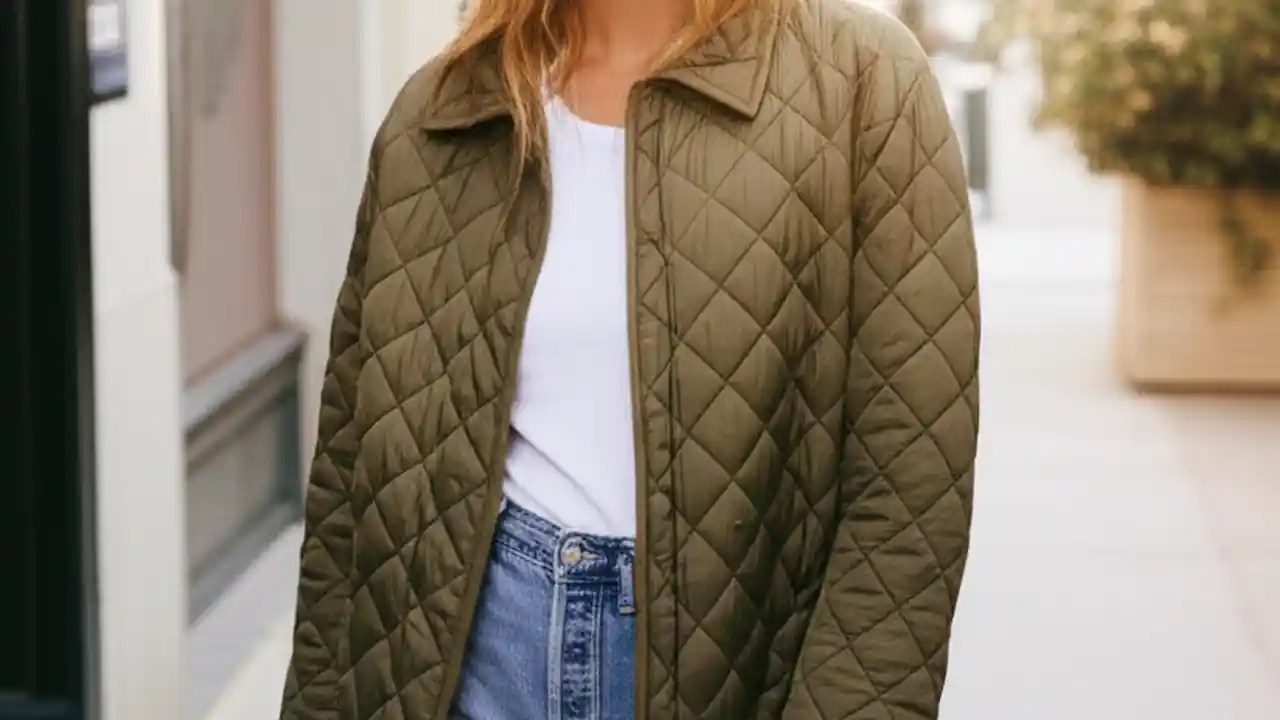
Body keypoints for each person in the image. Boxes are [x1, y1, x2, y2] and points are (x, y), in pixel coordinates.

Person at [279, 0, 980, 717]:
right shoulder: (436, 110)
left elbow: (908, 495)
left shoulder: (865, 84)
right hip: (474, 664)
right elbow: (349, 489)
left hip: (739, 672)